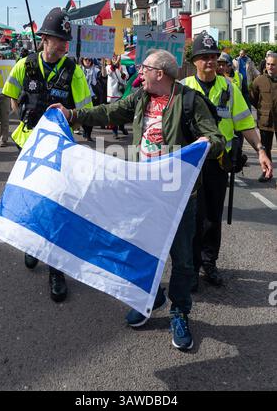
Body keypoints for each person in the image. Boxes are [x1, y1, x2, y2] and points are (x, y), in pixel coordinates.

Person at [49, 48, 226, 351]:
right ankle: (151, 298)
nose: (139, 72)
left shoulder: (189, 101)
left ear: (161, 73)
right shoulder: (141, 98)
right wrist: (73, 115)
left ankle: (179, 311)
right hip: (144, 193)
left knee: (182, 259)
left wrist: (207, 144)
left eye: (144, 68)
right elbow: (109, 111)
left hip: (178, 197)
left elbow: (218, 138)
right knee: (144, 249)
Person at [2, 7, 93, 302]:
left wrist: (68, 122)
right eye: (58, 38)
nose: (64, 44)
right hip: (28, 144)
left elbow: (84, 110)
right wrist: (29, 119)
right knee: (32, 201)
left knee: (55, 207)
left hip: (59, 149)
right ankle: (33, 244)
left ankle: (56, 270)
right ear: (44, 39)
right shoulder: (24, 65)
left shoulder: (73, 70)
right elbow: (12, 99)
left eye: (65, 39)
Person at [181, 31, 272, 291]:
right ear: (195, 60)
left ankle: (209, 263)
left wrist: (261, 150)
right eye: (205, 57)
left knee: (212, 216)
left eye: (214, 57)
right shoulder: (184, 87)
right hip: (190, 164)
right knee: (192, 217)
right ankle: (191, 265)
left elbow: (245, 123)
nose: (211, 62)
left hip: (219, 163)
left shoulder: (229, 89)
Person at [250, 51, 277, 182]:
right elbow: (253, 98)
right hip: (265, 121)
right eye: (268, 64)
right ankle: (267, 172)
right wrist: (262, 111)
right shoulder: (258, 81)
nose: (270, 67)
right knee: (265, 149)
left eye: (273, 65)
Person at [106, 54, 129, 138]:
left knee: (122, 112)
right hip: (113, 93)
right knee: (113, 113)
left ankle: (122, 127)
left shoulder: (122, 66)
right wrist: (116, 63)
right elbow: (110, 71)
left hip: (122, 93)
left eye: (116, 56)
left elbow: (126, 77)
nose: (114, 57)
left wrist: (122, 71)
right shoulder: (108, 66)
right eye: (113, 56)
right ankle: (114, 131)